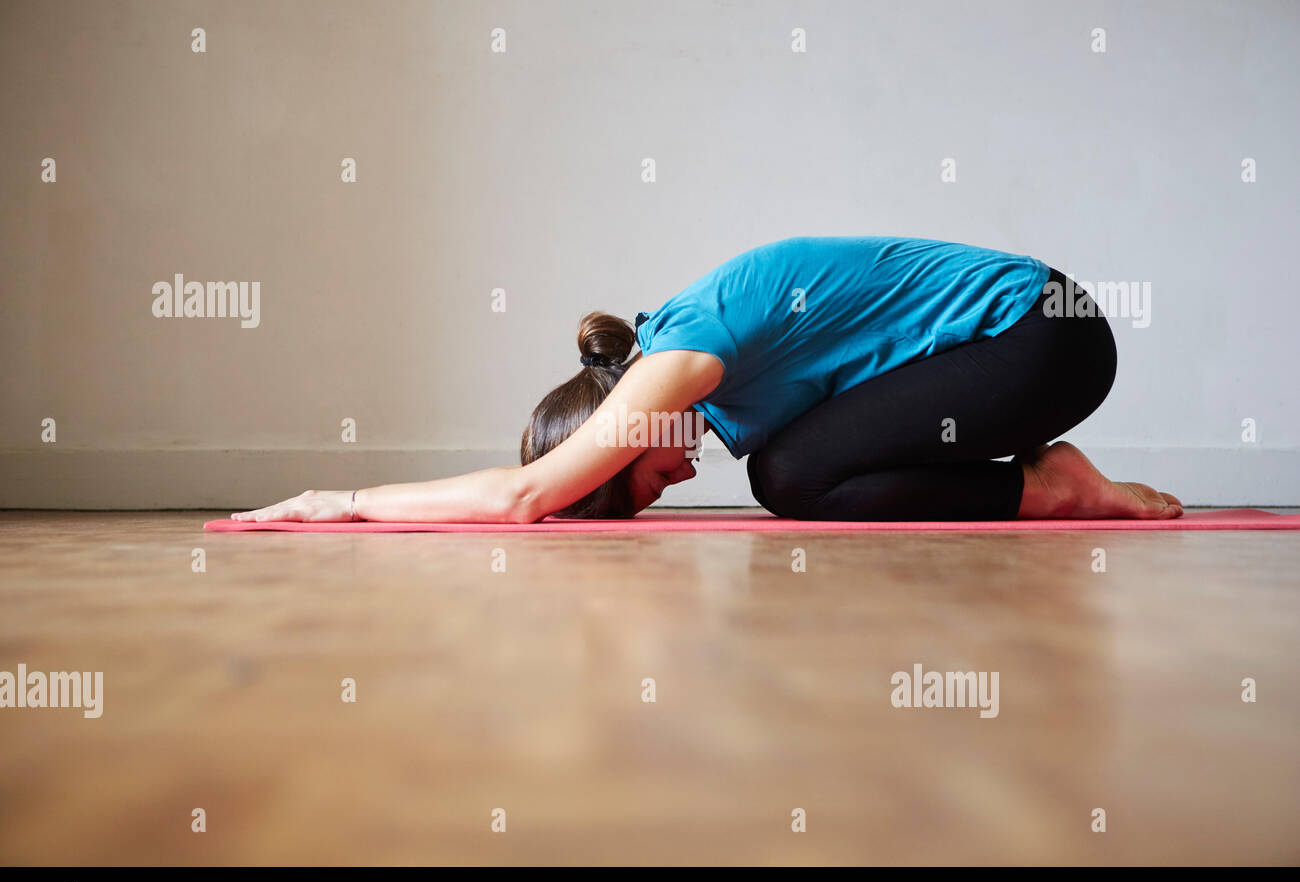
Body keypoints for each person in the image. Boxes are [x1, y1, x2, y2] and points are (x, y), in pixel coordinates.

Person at [233, 236, 1182, 524]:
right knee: (791, 475)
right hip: (1016, 353)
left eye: (645, 480)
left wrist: (343, 502)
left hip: (1046, 334)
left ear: (623, 430)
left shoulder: (682, 354)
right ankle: (1044, 482)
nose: (677, 481)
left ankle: (1051, 486)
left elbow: (524, 497)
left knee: (790, 479)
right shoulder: (703, 385)